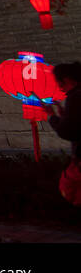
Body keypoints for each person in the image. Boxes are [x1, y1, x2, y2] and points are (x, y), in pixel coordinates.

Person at [48, 62, 81, 204]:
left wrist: (52, 117)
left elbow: (67, 131)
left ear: (67, 79)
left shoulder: (75, 97)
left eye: (59, 82)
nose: (59, 87)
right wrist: (64, 116)